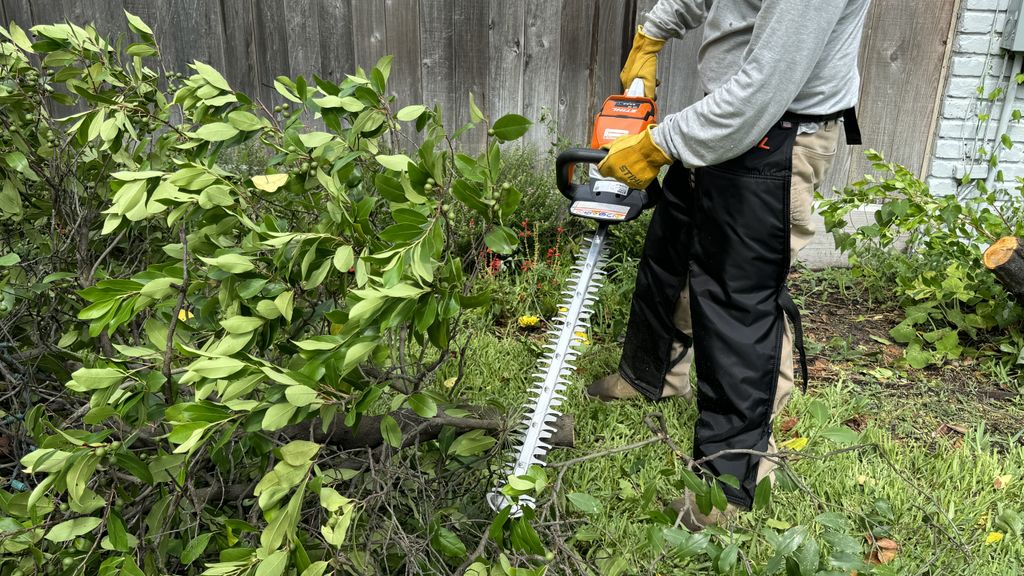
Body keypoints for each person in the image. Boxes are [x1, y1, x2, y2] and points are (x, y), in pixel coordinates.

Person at [589, 0, 872, 530]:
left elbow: (762, 91)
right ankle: (650, 377)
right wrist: (654, 31)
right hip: (724, 112)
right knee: (670, 256)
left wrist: (660, 143)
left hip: (777, 129)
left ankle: (730, 482)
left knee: (737, 300)